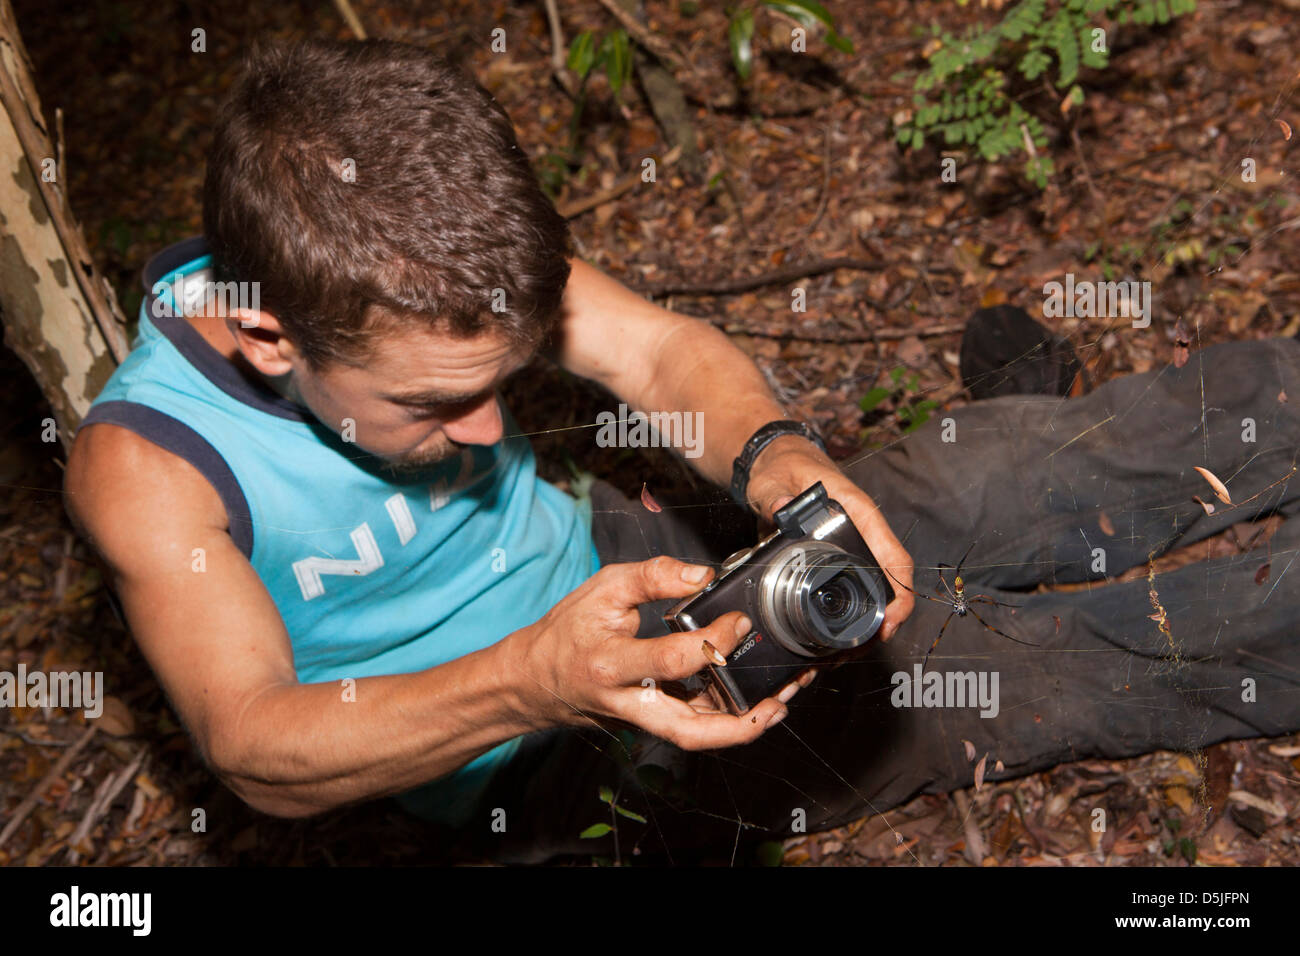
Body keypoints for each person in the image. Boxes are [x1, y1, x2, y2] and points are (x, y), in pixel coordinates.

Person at [65, 37, 1300, 866]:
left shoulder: (410, 255)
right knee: (1024, 676)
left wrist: (776, 462)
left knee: (1000, 473)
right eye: (438, 405)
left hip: (642, 557)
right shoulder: (152, 465)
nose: (490, 435)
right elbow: (255, 744)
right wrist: (532, 679)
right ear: (270, 334)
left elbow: (657, 357)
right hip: (537, 758)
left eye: (507, 379)